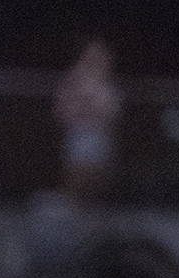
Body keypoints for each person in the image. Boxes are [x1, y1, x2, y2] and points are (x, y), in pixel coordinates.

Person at [53, 39, 121, 205]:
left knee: (99, 175)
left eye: (99, 55)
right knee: (77, 172)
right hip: (79, 133)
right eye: (91, 54)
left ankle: (93, 211)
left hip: (100, 133)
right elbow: (61, 110)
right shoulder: (73, 80)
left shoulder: (107, 85)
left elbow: (113, 112)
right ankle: (74, 208)